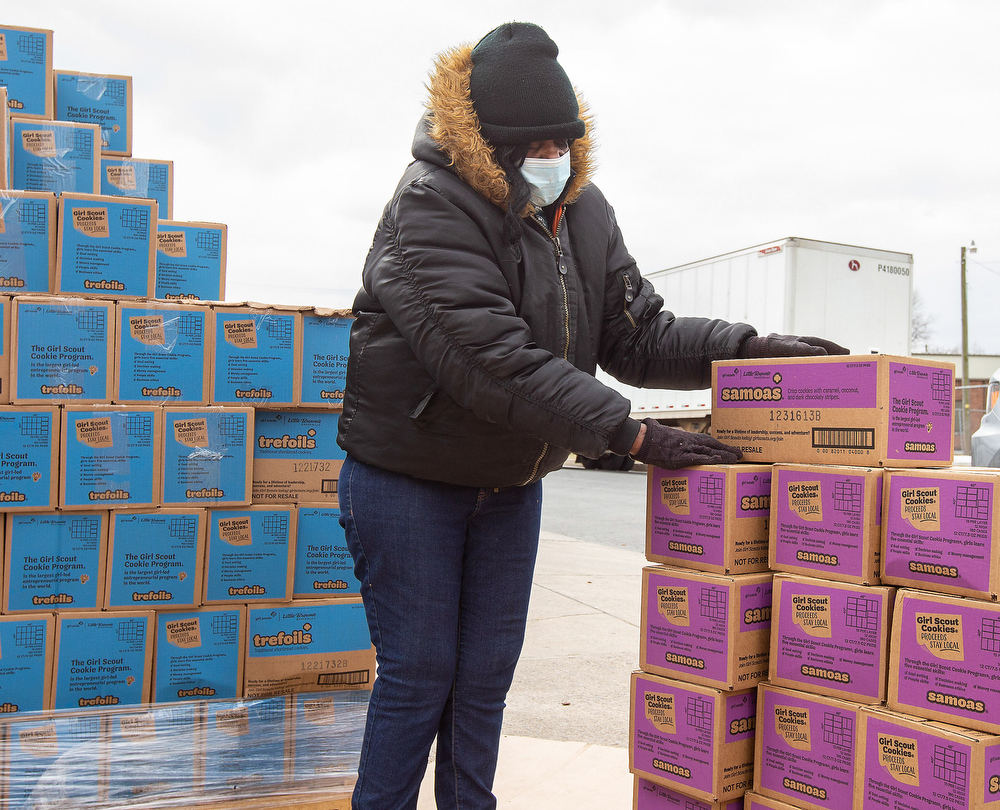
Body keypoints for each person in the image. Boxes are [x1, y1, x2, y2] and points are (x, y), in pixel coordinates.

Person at [336, 21, 847, 810]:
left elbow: (634, 334)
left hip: (509, 484)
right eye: (533, 144)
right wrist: (631, 433)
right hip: (409, 480)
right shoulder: (427, 208)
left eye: (562, 140)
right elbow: (489, 360)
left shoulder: (584, 210)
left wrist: (747, 348)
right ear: (488, 142)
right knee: (420, 675)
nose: (552, 156)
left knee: (484, 681)